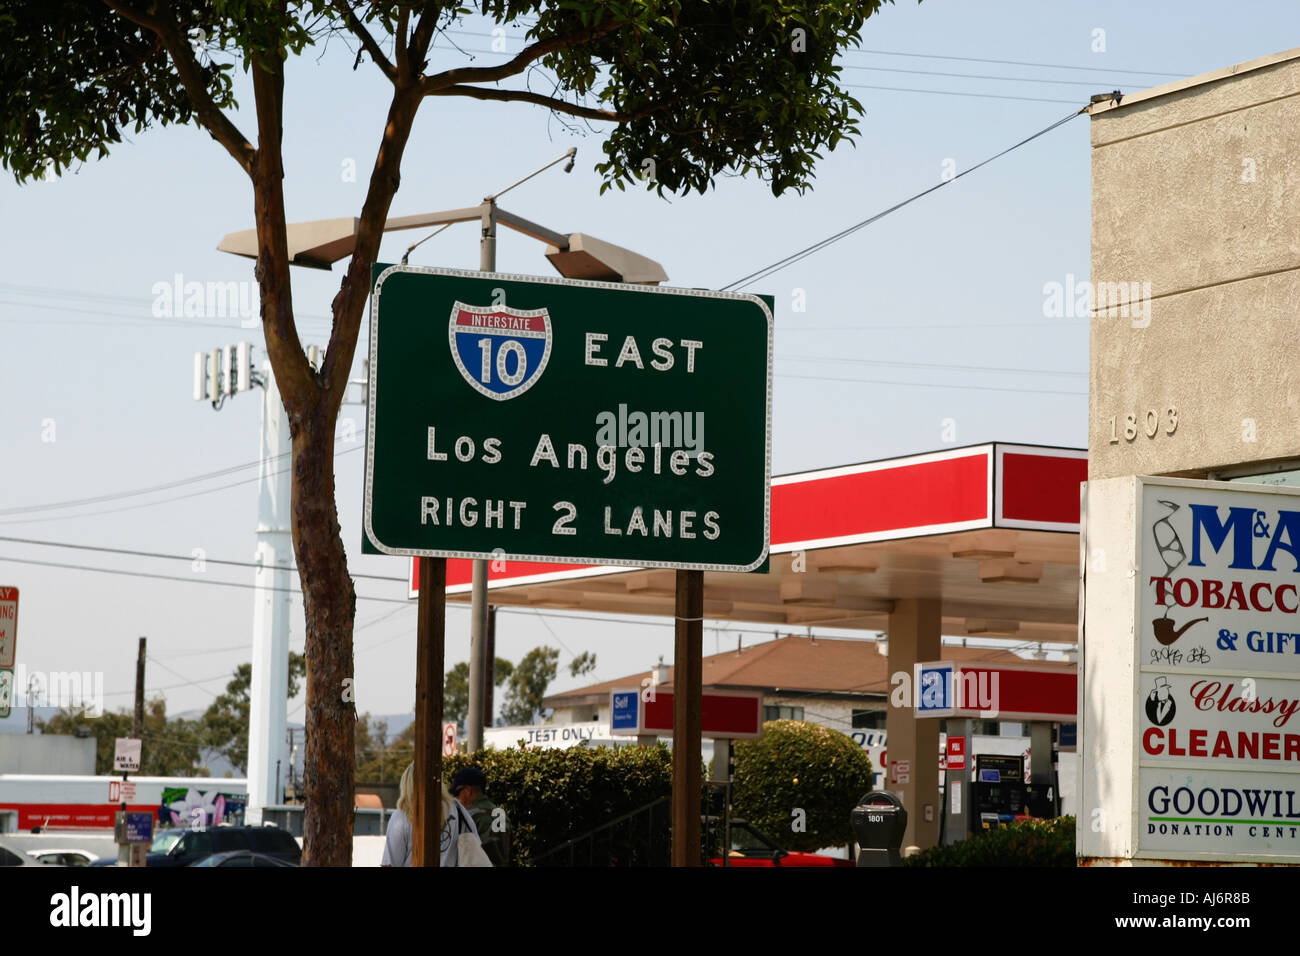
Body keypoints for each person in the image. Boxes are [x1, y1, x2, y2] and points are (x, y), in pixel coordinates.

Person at [383, 762, 485, 867]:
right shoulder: (457, 809)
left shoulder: (402, 815)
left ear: (407, 782)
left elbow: (390, 863)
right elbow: (477, 849)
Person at [450, 765, 510, 867]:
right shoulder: (501, 814)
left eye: (457, 793)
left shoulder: (467, 816)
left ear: (468, 791)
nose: (456, 798)